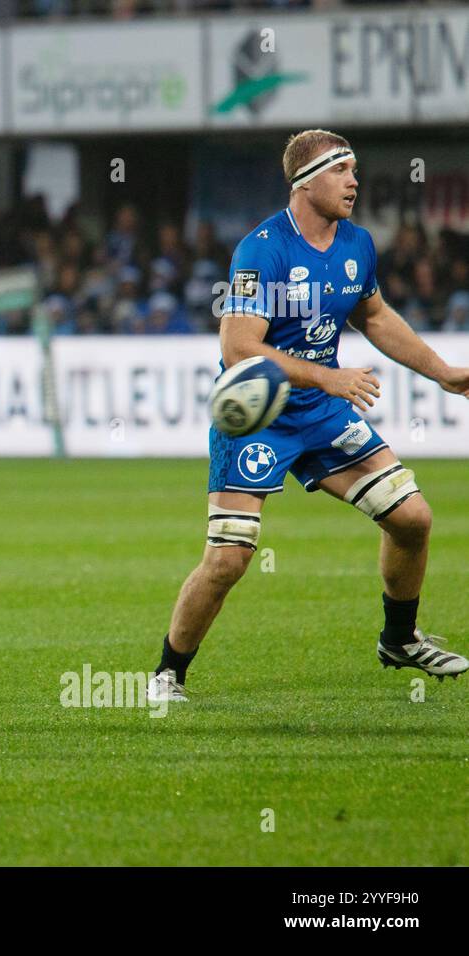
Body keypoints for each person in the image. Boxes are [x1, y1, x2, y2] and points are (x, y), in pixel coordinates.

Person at [148, 129, 469, 704]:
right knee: (229, 558)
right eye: (342, 170)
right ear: (305, 182)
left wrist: (442, 372)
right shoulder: (261, 249)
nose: (354, 181)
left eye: (355, 170)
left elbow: (374, 318)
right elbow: (239, 349)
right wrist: (329, 376)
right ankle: (168, 672)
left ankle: (399, 640)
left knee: (412, 518)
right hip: (259, 414)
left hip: (321, 413)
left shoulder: (358, 244)